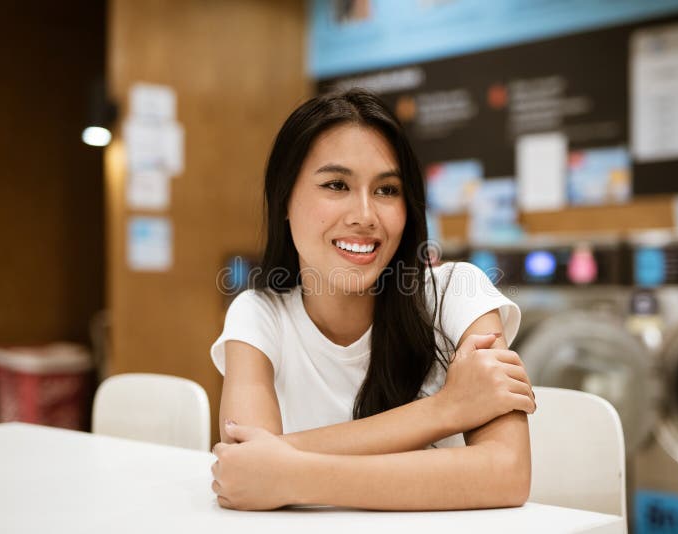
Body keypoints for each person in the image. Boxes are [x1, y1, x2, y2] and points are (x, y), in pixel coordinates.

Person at [209, 88, 536, 511]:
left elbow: (507, 475)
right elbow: (243, 470)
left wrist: (289, 473)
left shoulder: (458, 292)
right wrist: (446, 410)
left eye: (386, 190)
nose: (365, 215)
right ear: (284, 200)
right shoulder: (258, 314)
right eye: (336, 184)